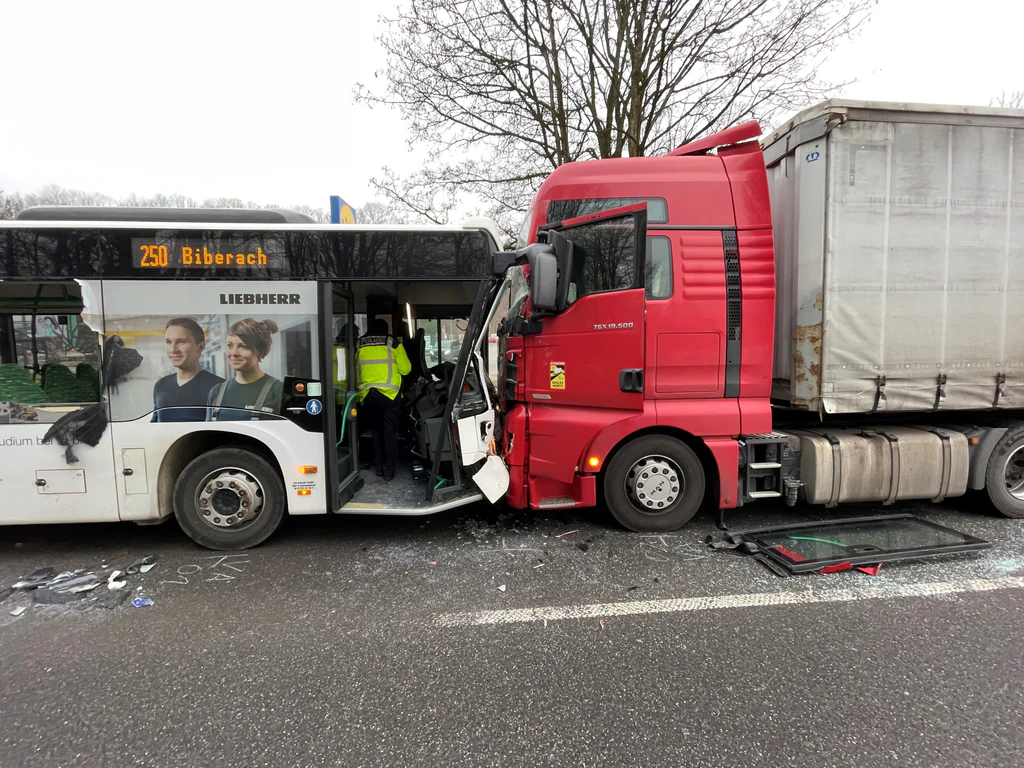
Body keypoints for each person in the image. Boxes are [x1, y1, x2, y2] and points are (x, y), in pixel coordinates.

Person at [357, 318, 411, 480]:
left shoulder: (358, 343)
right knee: (390, 433)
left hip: (367, 395)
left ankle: (378, 467)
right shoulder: (392, 343)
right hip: (390, 395)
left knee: (376, 432)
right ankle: (389, 472)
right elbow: (406, 369)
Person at [207, 318, 283, 421]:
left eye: (243, 346)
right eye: (230, 345)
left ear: (260, 350)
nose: (233, 353)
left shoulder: (278, 391)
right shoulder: (216, 392)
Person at [152, 318, 224, 422]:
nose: (173, 349)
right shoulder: (161, 385)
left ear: (200, 347)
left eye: (181, 341)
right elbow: (155, 426)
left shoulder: (219, 387)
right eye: (168, 342)